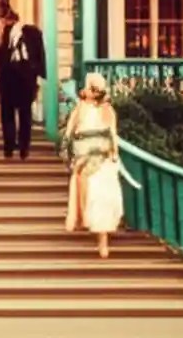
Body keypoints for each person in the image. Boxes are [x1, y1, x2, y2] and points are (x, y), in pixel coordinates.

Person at [63, 72, 124, 258]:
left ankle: (103, 240)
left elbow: (113, 134)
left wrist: (114, 153)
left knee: (102, 198)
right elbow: (68, 133)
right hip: (84, 159)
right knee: (91, 196)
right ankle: (91, 228)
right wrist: (70, 151)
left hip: (103, 159)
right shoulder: (79, 109)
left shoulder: (107, 110)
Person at [0, 6, 46, 160]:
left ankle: (10, 147)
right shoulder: (33, 32)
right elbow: (39, 55)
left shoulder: (11, 33)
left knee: (9, 114)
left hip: (12, 79)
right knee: (24, 115)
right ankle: (23, 148)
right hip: (24, 80)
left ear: (7, 20)